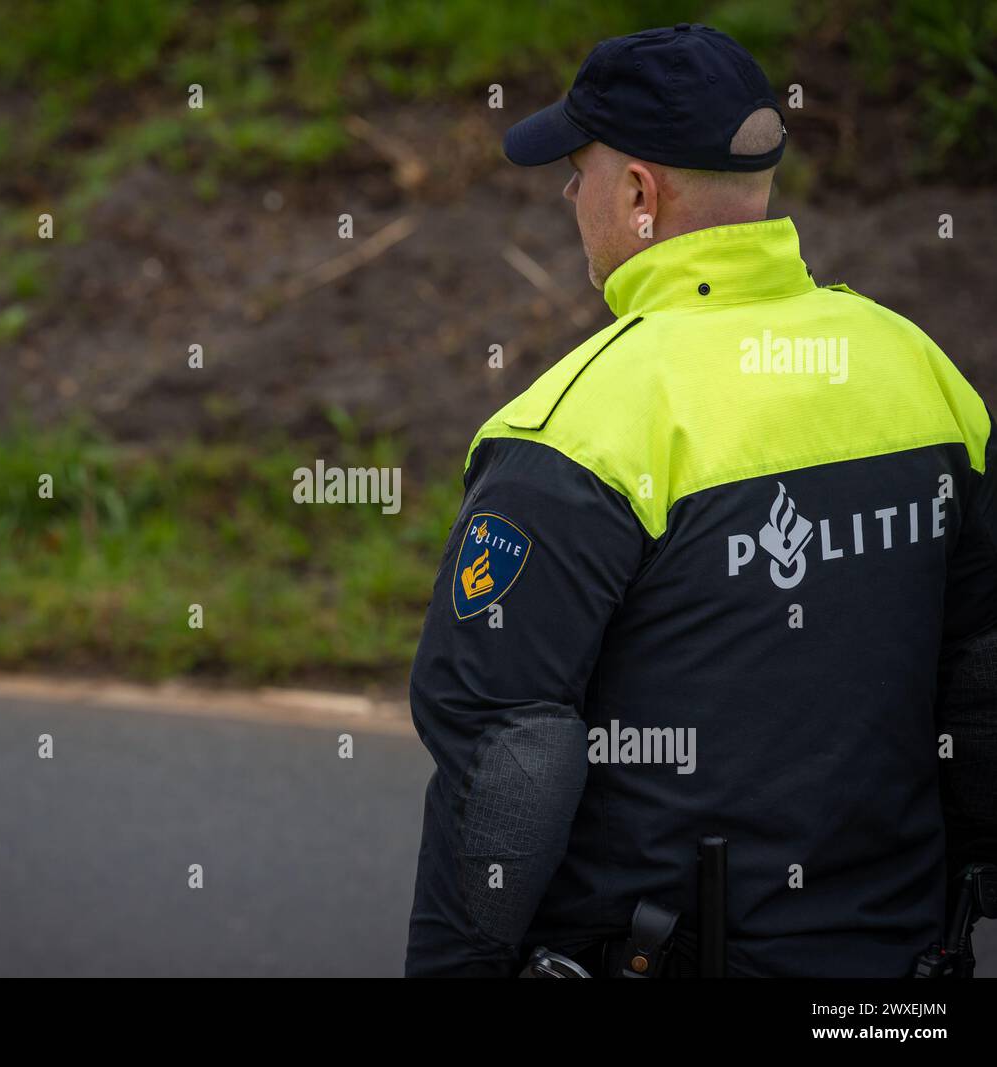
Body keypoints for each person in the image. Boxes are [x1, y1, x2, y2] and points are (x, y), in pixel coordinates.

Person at [404, 23, 997, 978]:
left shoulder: (575, 427)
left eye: (580, 167)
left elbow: (508, 756)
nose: (568, 192)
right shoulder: (919, 368)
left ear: (638, 193)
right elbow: (980, 679)